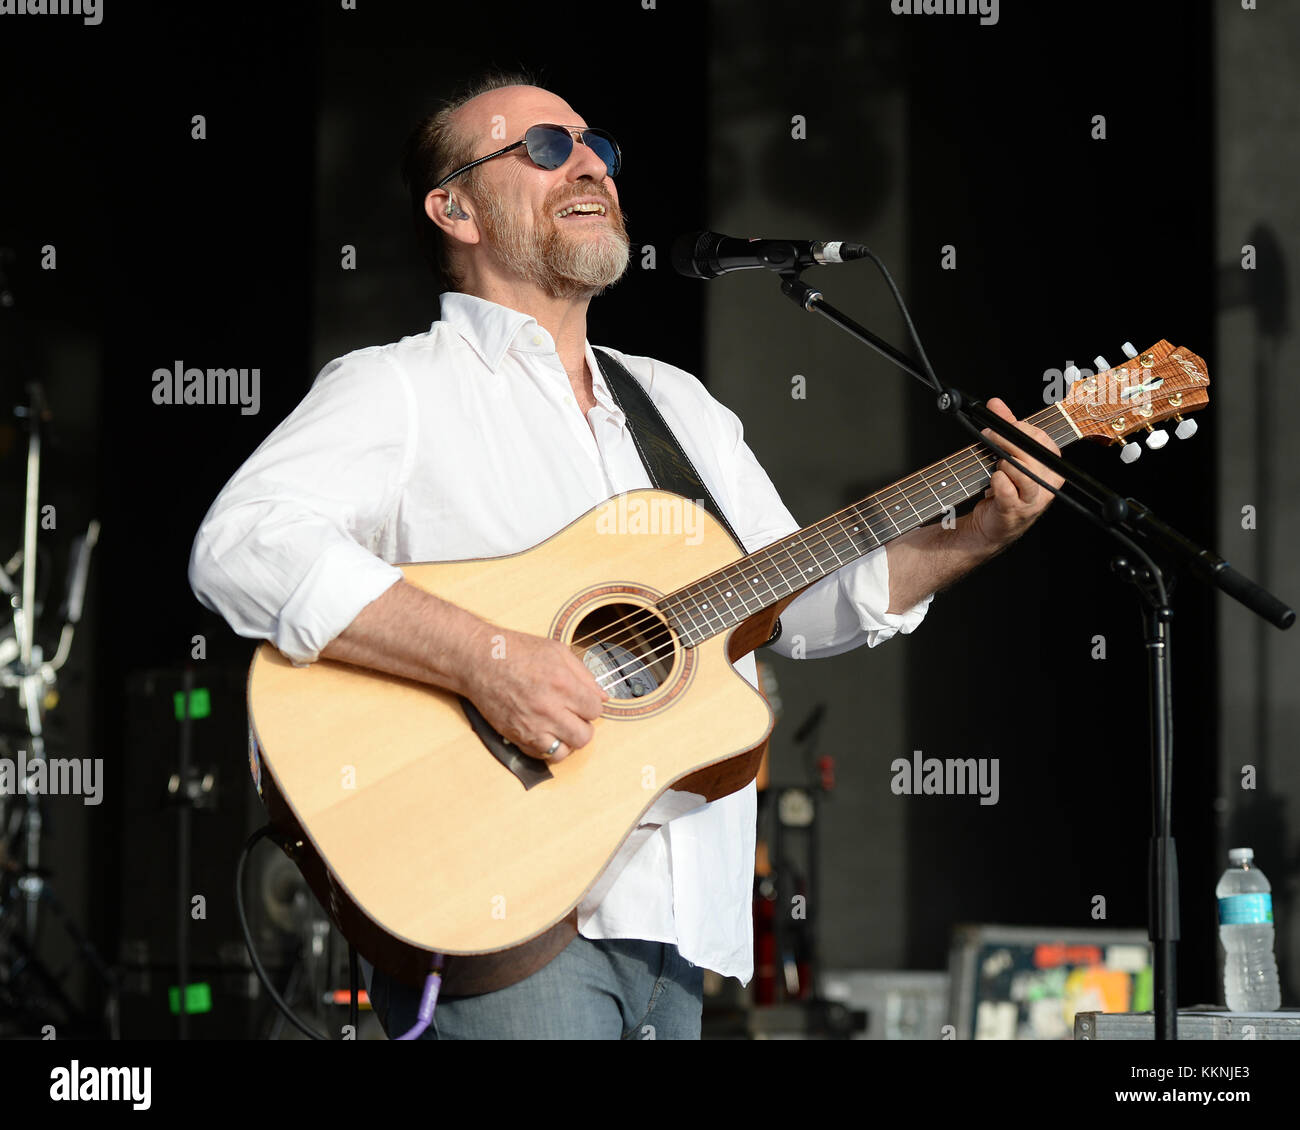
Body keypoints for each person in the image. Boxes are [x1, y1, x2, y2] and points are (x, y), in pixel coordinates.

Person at [188, 71, 1062, 1040]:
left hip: (680, 930)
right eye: (546, 148)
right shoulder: (400, 387)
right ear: (455, 208)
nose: (591, 162)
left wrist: (973, 534)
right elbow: (244, 542)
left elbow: (799, 606)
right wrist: (488, 658)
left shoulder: (675, 406)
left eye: (596, 144)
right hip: (503, 905)